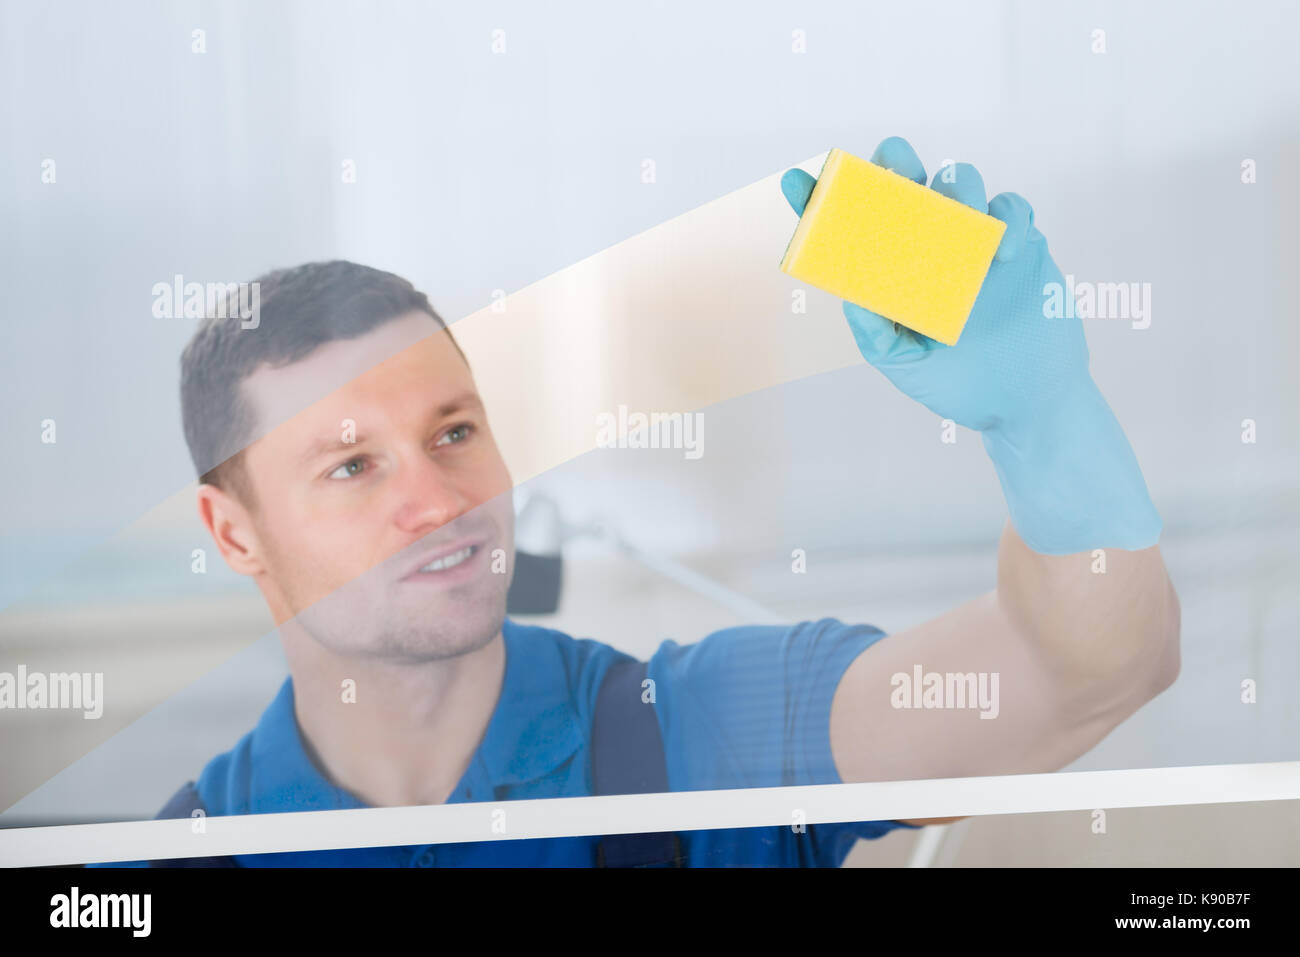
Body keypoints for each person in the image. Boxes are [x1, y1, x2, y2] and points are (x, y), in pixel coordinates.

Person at [94, 136, 1180, 867]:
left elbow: (1078, 675)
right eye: (351, 465)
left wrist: (1044, 421)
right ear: (235, 533)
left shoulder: (698, 740)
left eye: (454, 433)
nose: (437, 498)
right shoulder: (170, 864)